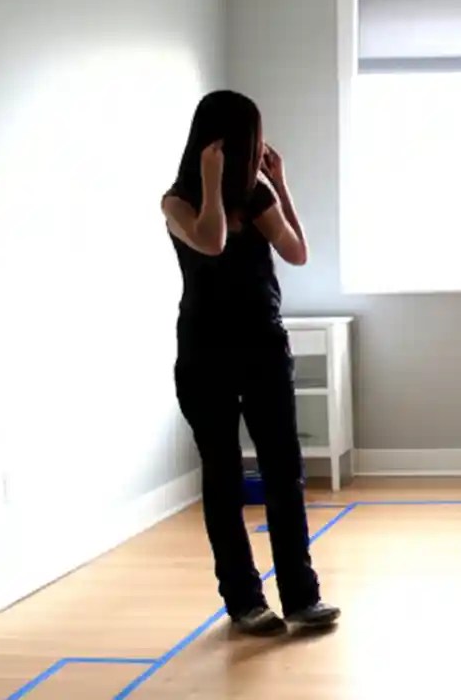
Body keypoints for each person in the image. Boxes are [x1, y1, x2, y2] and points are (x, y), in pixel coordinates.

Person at [162, 90, 339, 634]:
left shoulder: (257, 193)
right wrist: (212, 183)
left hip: (263, 344)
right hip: (205, 354)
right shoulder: (177, 201)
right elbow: (211, 242)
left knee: (284, 471)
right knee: (222, 477)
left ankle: (301, 596)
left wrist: (281, 186)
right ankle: (243, 600)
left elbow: (297, 252)